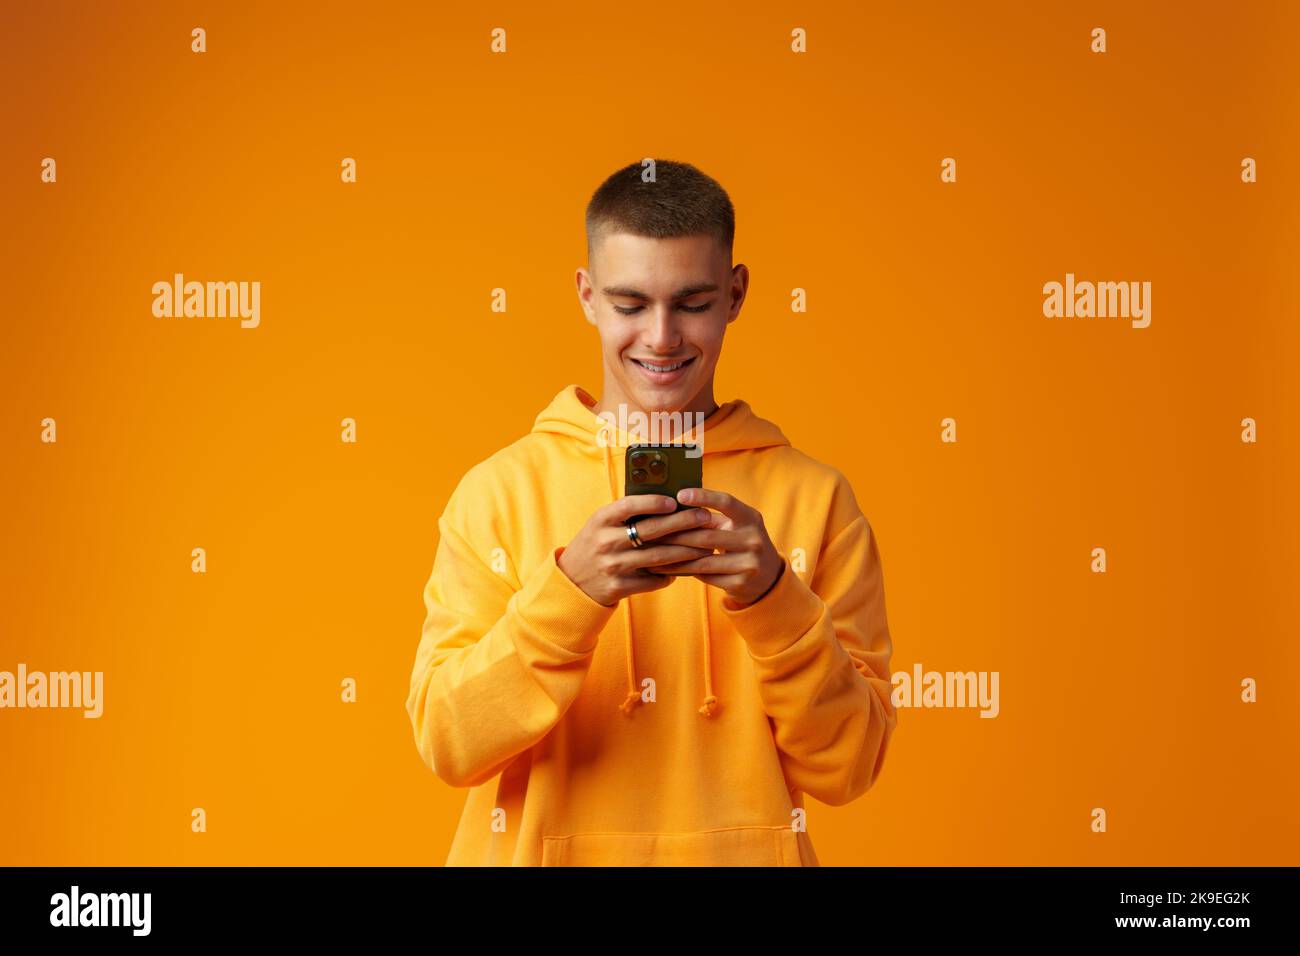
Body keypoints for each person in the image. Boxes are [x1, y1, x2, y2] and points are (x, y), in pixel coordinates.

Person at [404, 158, 898, 866]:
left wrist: (773, 599)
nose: (662, 338)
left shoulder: (815, 500)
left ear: (735, 294)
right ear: (587, 297)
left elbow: (848, 766)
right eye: (631, 305)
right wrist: (569, 593)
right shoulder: (498, 493)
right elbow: (450, 744)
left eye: (692, 303)